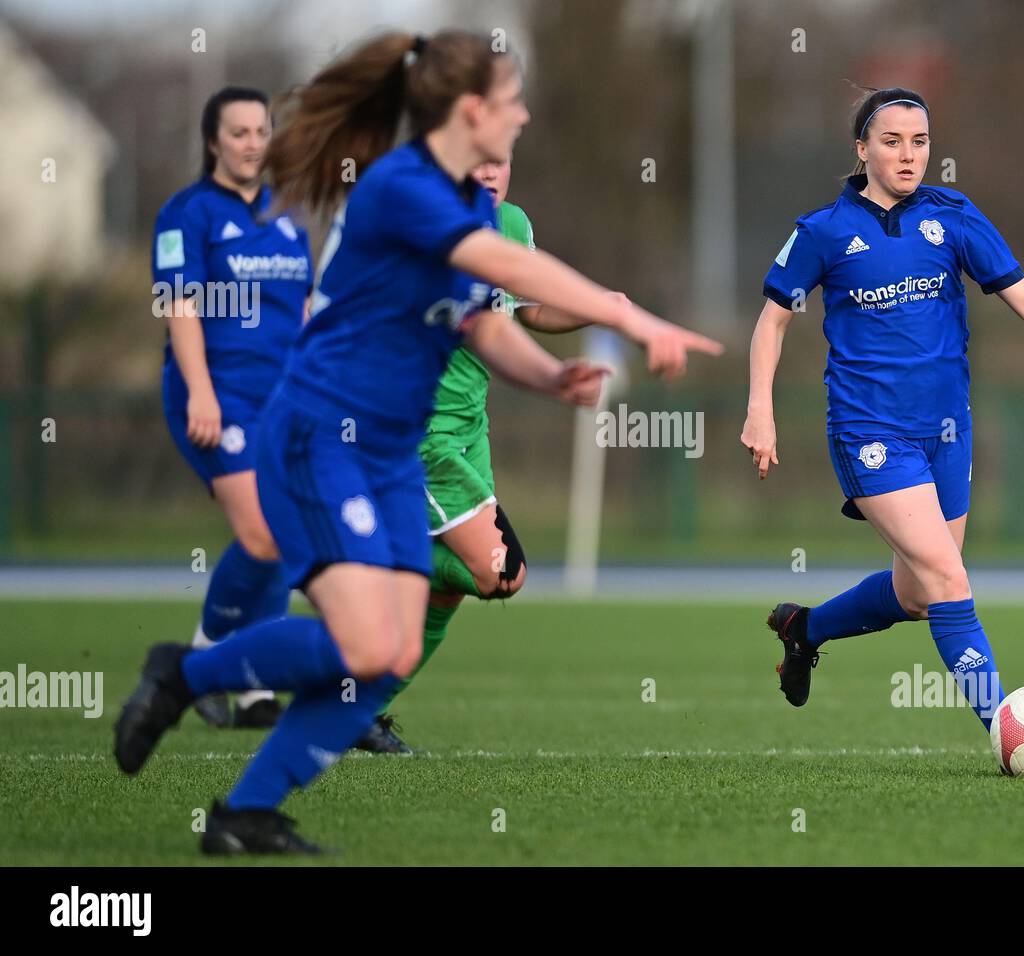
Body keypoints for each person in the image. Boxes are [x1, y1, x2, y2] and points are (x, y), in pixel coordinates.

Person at [115, 29, 721, 855]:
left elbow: (477, 320)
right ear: (472, 112)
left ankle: (243, 814)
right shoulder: (403, 186)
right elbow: (507, 271)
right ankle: (183, 674)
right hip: (322, 437)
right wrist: (623, 313)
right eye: (512, 101)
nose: (526, 115)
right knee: (367, 643)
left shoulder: (472, 203)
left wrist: (548, 377)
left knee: (389, 654)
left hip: (390, 451)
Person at [741, 87, 1024, 729]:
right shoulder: (823, 231)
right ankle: (1009, 731)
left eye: (919, 141)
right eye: (892, 141)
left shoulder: (952, 216)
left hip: (947, 433)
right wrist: (761, 409)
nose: (908, 154)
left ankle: (804, 629)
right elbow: (772, 322)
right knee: (950, 582)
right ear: (861, 149)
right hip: (870, 433)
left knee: (919, 595)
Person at [357, 154, 605, 754]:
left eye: (503, 160)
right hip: (418, 433)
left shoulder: (511, 225)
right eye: (480, 161)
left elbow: (524, 311)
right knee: (500, 571)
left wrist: (603, 305)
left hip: (470, 430)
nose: (493, 171)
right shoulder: (424, 231)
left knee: (453, 589)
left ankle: (361, 712)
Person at [152, 86, 312, 730]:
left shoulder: (290, 214)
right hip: (218, 396)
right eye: (238, 132)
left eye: (260, 131)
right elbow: (180, 306)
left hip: (283, 398)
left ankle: (253, 685)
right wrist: (201, 392)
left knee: (285, 533)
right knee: (264, 532)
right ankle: (197, 662)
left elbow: (303, 309)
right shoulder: (186, 213)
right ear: (212, 141)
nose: (252, 143)